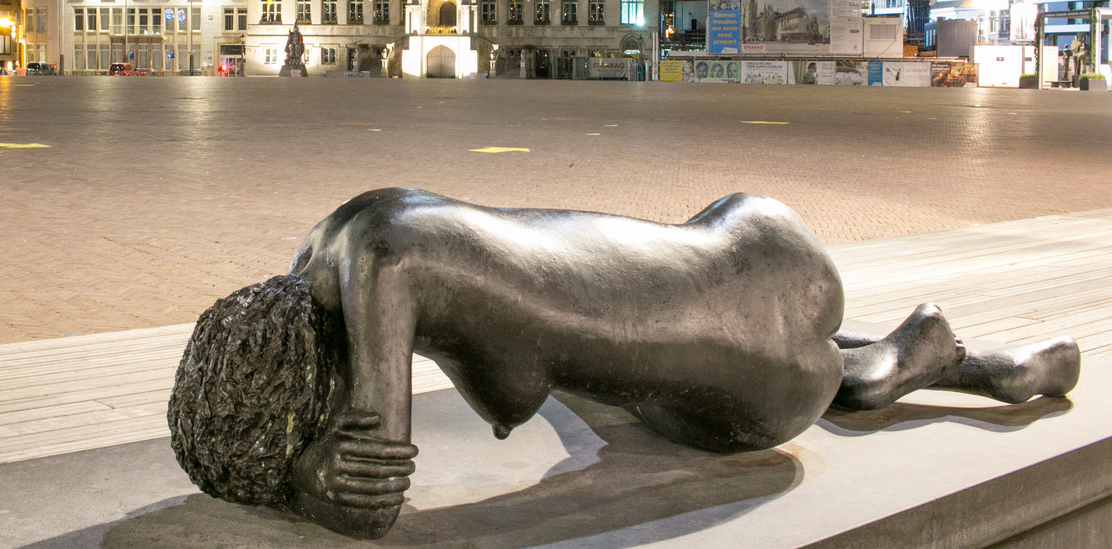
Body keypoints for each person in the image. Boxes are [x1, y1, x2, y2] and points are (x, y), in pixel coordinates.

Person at [169, 189, 1081, 540]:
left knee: (820, 375)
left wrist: (300, 481)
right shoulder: (328, 247)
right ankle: (978, 366)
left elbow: (368, 504)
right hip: (736, 244)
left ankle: (899, 363)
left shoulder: (381, 267)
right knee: (677, 347)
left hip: (757, 388)